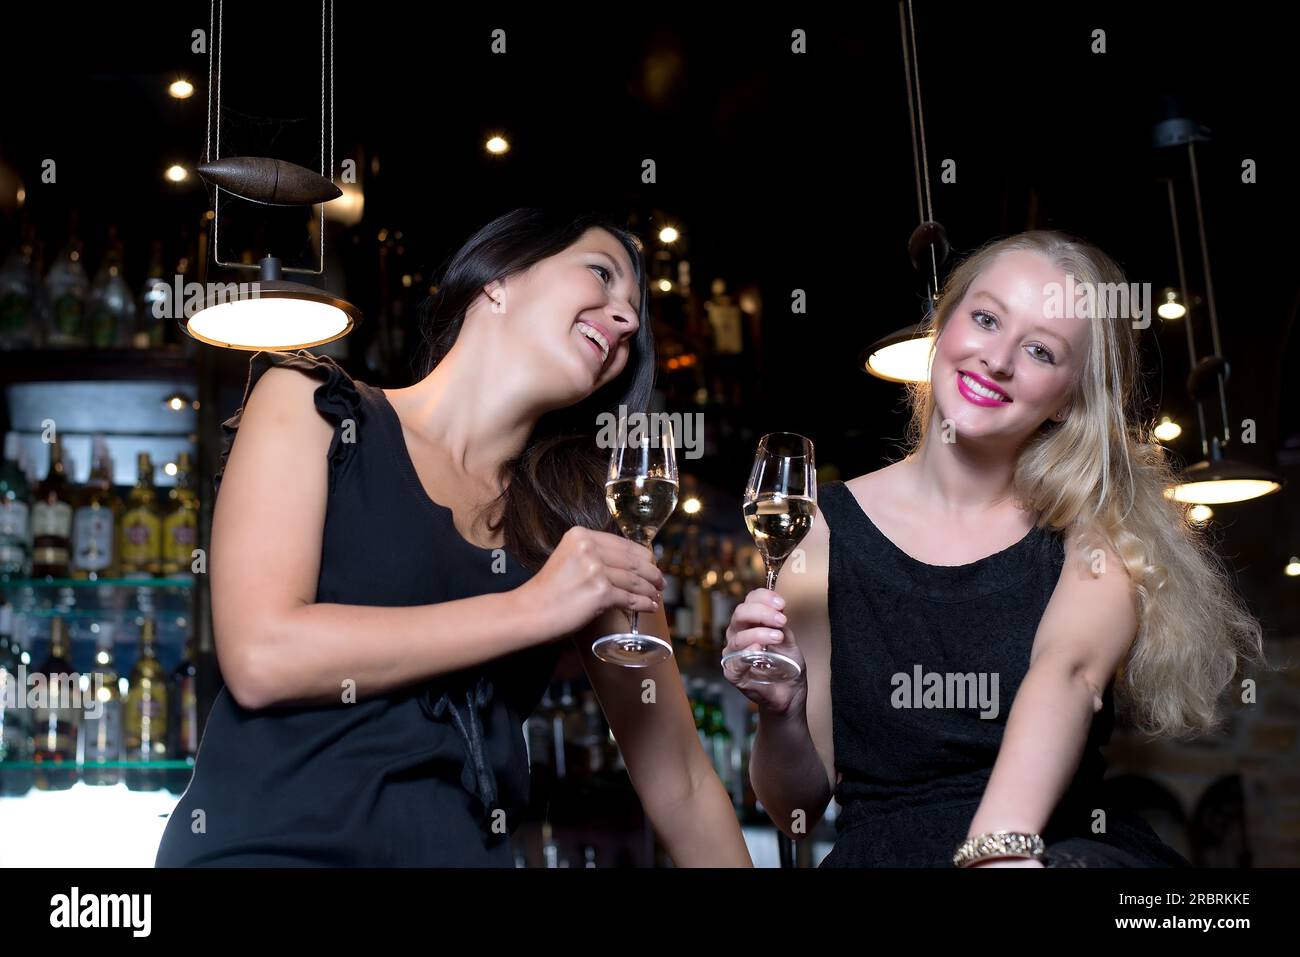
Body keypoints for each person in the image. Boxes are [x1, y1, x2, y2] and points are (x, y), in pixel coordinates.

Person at [156, 208, 751, 867]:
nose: (628, 319)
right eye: (600, 275)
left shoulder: (580, 528)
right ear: (498, 278)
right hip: (272, 850)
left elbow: (685, 784)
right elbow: (264, 657)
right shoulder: (310, 404)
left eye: (636, 311)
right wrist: (531, 609)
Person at [724, 230, 1265, 867]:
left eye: (1040, 350)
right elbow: (795, 809)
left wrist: (999, 852)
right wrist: (780, 713)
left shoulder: (1097, 531)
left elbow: (1067, 675)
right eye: (985, 319)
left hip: (1048, 853)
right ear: (943, 328)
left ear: (1070, 400)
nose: (998, 359)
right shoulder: (820, 531)